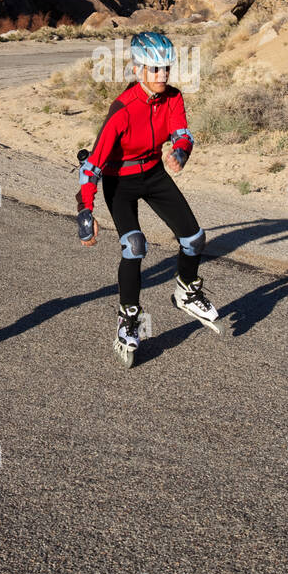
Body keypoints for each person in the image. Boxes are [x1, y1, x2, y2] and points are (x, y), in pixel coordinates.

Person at [77, 31, 218, 366]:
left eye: (166, 68)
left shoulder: (172, 98)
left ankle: (187, 290)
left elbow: (183, 134)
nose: (162, 75)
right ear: (137, 69)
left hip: (154, 174)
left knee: (195, 239)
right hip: (119, 181)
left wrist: (180, 153)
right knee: (135, 246)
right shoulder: (121, 110)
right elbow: (92, 167)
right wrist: (85, 210)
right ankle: (128, 319)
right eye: (155, 70)